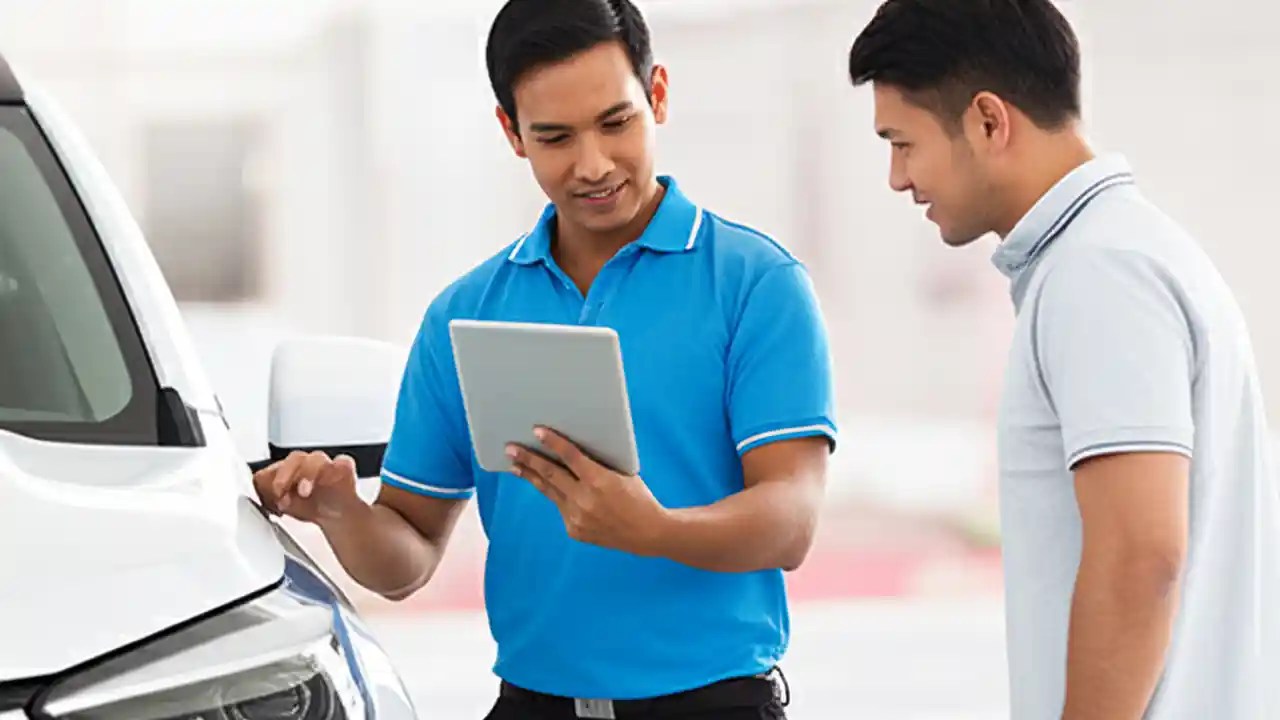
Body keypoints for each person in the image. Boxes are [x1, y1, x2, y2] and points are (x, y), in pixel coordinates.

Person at [255, 0, 836, 717]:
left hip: (715, 706)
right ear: (512, 133)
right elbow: (407, 557)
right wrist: (342, 513)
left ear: (657, 95)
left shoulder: (756, 284)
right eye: (555, 137)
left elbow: (791, 519)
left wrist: (652, 529)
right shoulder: (464, 315)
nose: (593, 165)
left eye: (615, 123)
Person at [846, 1, 1279, 718]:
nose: (896, 177)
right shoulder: (1120, 251)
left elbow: (1140, 556)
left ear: (989, 121)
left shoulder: (1097, 272)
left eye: (902, 142)